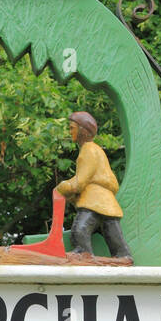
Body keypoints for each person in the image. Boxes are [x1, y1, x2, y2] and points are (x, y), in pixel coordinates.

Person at [55, 111, 132, 260]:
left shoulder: (88, 150)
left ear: (82, 130)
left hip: (95, 200)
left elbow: (80, 182)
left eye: (72, 128)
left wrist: (63, 187)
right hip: (105, 201)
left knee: (80, 229)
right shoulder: (96, 149)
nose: (70, 131)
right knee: (111, 230)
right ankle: (123, 256)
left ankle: (83, 254)